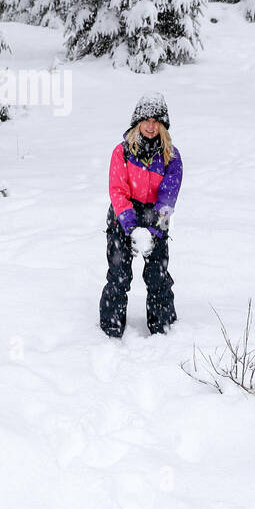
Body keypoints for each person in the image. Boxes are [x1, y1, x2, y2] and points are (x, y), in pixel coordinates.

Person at [100, 92, 182, 338]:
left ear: (163, 125)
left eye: (156, 120)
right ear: (137, 122)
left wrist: (155, 229)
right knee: (119, 275)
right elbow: (117, 189)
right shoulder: (122, 152)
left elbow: (168, 198)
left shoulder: (171, 157)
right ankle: (111, 330)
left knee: (158, 276)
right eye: (146, 120)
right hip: (122, 218)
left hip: (155, 217)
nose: (150, 125)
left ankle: (163, 328)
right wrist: (130, 225)